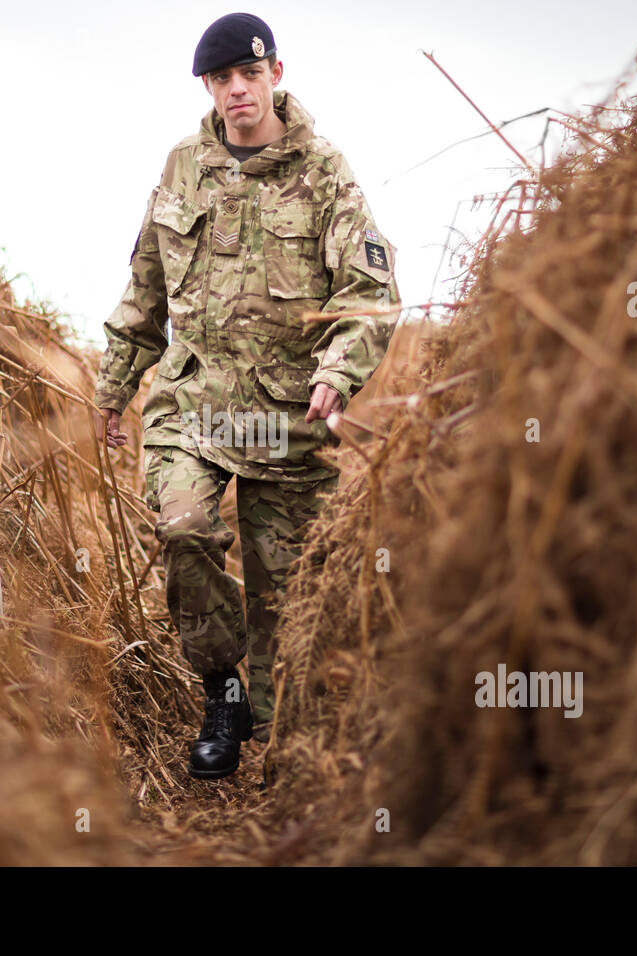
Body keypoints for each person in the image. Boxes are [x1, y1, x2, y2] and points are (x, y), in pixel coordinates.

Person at [93, 11, 398, 779]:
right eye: (222, 79)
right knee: (185, 529)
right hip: (192, 407)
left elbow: (370, 293)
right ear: (209, 86)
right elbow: (144, 291)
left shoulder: (325, 172)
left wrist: (338, 370)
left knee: (284, 602)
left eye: (249, 75)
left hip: (285, 420)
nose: (237, 91)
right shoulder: (182, 166)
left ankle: (279, 740)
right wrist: (113, 387)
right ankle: (219, 689)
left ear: (275, 76)